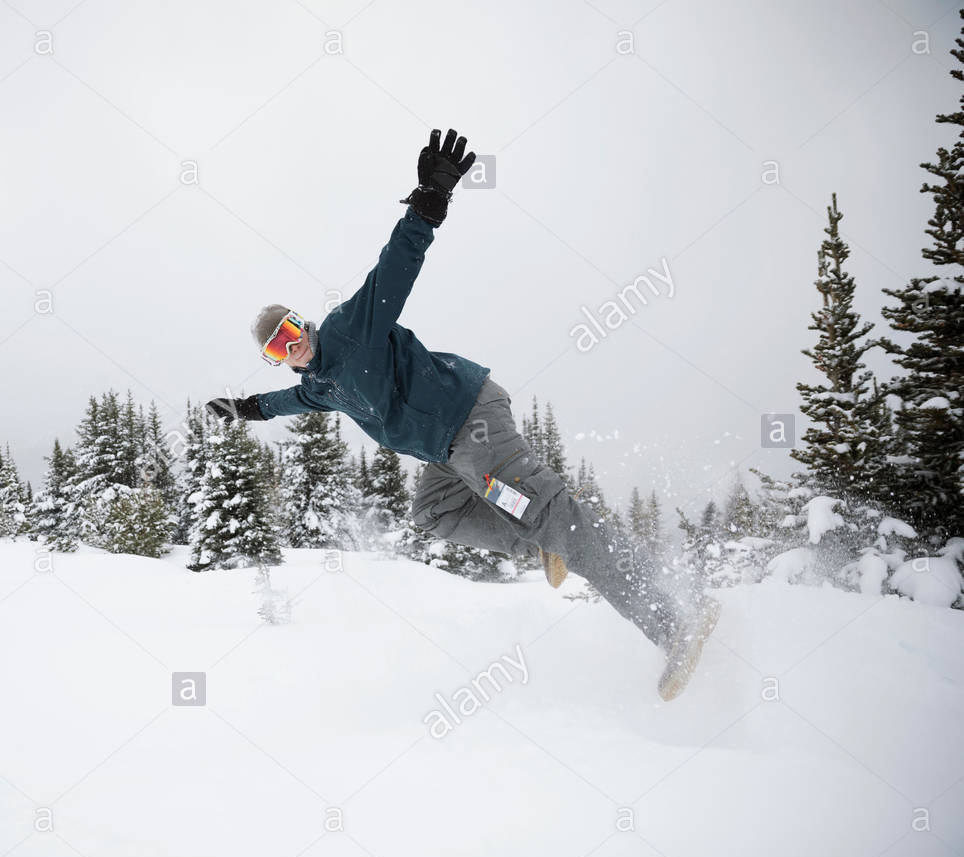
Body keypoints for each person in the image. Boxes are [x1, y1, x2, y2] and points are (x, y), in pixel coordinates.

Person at [206, 128, 719, 700]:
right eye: (278, 347)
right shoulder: (319, 384)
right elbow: (288, 401)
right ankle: (540, 544)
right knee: (432, 513)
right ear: (276, 360)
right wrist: (249, 408)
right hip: (444, 452)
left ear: (307, 323)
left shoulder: (351, 329)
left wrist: (427, 205)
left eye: (293, 331)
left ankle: (671, 621)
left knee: (553, 513)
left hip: (469, 420)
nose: (293, 346)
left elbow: (392, 272)